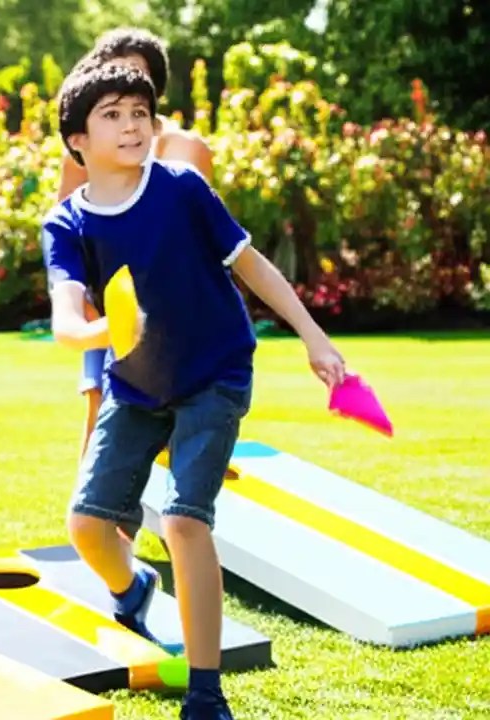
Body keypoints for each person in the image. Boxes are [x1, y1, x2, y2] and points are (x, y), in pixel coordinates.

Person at [44, 64, 347, 720]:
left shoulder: (182, 188)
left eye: (139, 113)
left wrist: (312, 336)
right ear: (77, 141)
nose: (131, 125)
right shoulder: (67, 225)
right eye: (112, 116)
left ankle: (206, 693)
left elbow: (251, 263)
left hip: (215, 373)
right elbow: (68, 324)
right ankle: (132, 587)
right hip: (134, 386)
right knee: (87, 526)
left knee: (183, 519)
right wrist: (106, 328)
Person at [57, 28, 215, 460]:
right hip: (111, 303)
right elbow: (69, 228)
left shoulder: (186, 149)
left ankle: (175, 522)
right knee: (103, 408)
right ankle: (97, 523)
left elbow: (208, 234)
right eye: (114, 72)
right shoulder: (87, 145)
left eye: (136, 73)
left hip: (178, 310)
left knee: (182, 417)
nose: (124, 80)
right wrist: (88, 307)